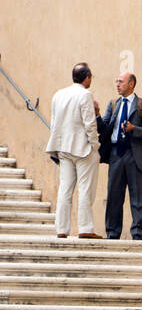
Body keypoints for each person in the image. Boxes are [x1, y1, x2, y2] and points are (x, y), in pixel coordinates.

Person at [45, 63, 101, 239]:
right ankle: (85, 228)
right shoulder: (85, 95)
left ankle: (61, 229)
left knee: (65, 189)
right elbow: (90, 123)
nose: (91, 80)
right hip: (83, 148)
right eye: (91, 76)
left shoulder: (58, 95)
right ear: (86, 78)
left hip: (63, 148)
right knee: (85, 189)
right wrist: (95, 145)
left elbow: (54, 124)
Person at [98, 73, 142, 240]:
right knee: (114, 195)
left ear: (131, 84)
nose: (117, 84)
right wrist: (96, 116)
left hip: (135, 154)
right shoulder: (113, 103)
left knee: (138, 195)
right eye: (116, 81)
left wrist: (134, 129)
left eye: (121, 81)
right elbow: (105, 128)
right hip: (116, 154)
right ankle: (112, 232)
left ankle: (137, 233)